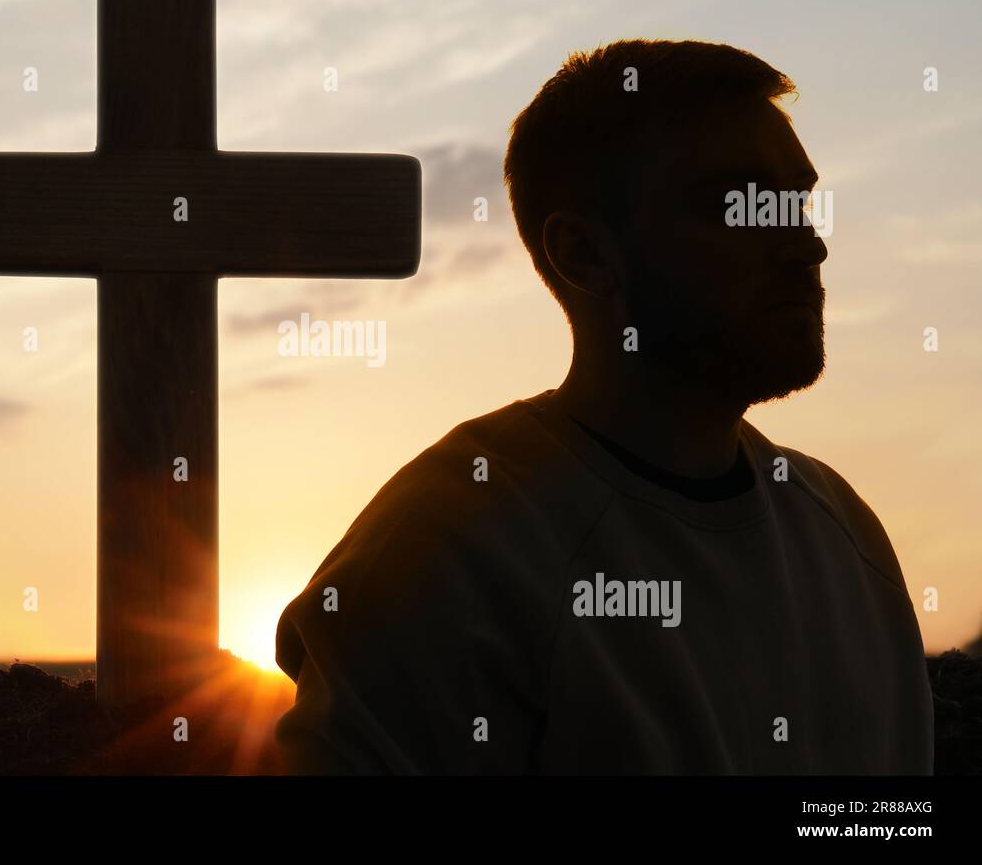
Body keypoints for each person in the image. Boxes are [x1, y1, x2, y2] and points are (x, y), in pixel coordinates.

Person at [272, 39, 935, 774]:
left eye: (799, 199)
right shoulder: (448, 548)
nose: (806, 244)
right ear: (586, 255)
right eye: (739, 203)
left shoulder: (845, 533)